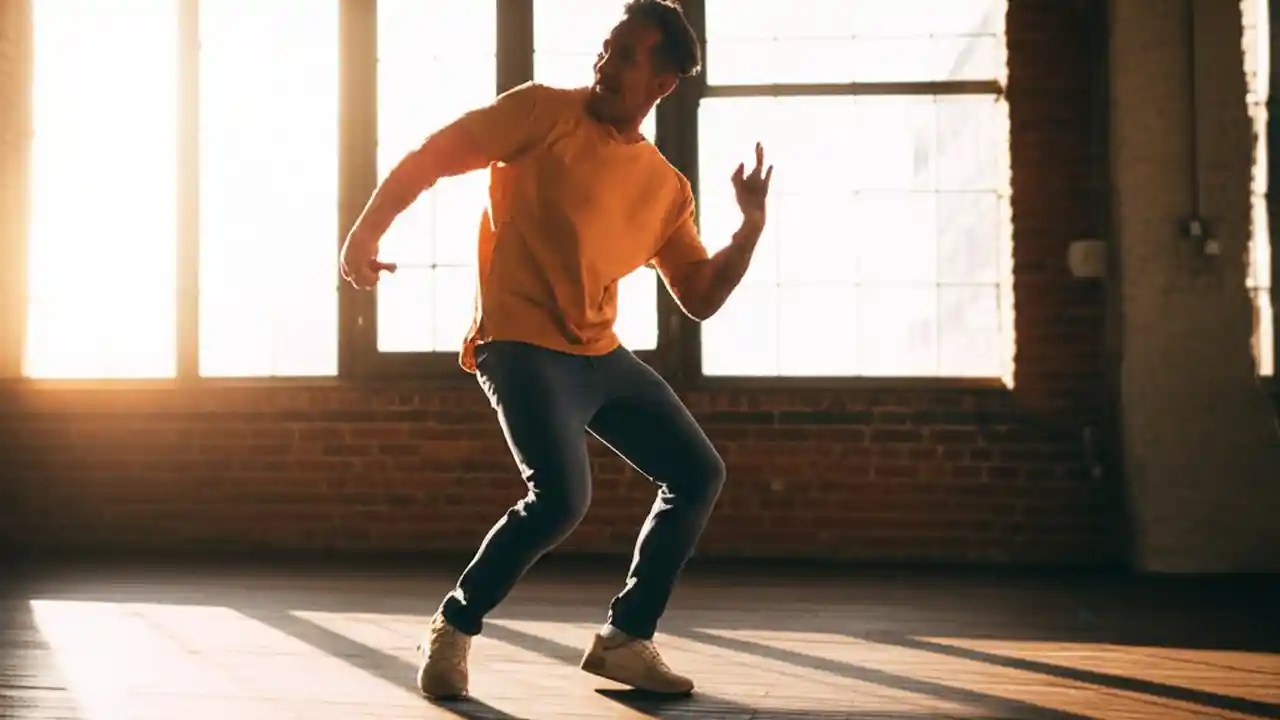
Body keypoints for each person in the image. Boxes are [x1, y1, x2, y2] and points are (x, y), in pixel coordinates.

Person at [339, 0, 772, 700]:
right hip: (518, 343)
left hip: (600, 356)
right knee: (563, 498)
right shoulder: (541, 111)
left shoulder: (666, 187)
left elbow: (698, 295)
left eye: (625, 56)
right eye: (607, 48)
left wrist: (748, 229)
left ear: (662, 83)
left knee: (697, 472)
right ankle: (455, 623)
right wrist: (365, 232)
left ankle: (626, 639)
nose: (605, 63)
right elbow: (433, 156)